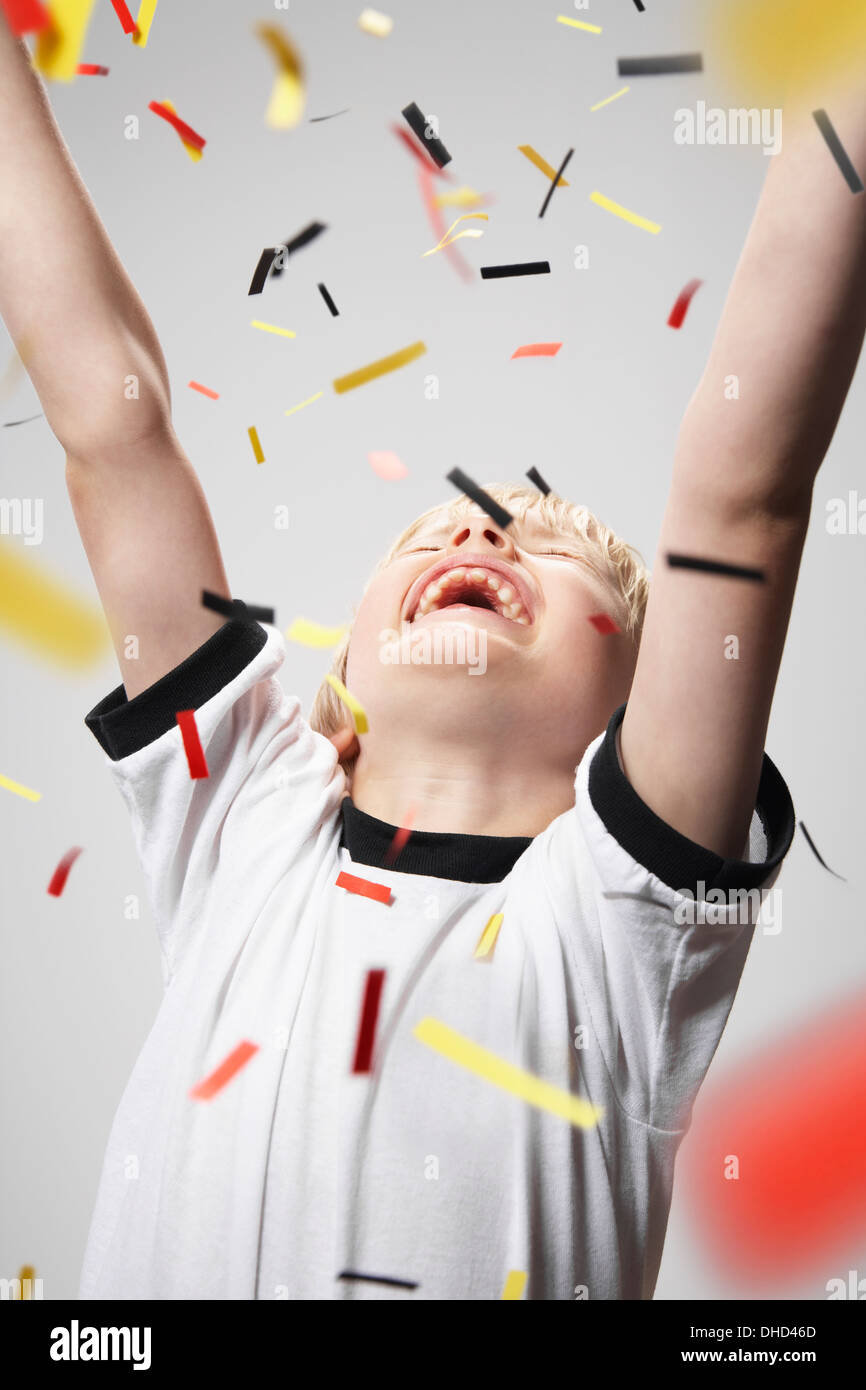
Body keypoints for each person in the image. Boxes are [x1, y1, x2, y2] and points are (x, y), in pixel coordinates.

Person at [3, 13, 865, 1298]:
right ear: (336, 680)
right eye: (435, 531)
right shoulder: (246, 805)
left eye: (554, 548)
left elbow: (741, 490)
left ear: (637, 721)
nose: (479, 524)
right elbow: (112, 417)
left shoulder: (619, 932)